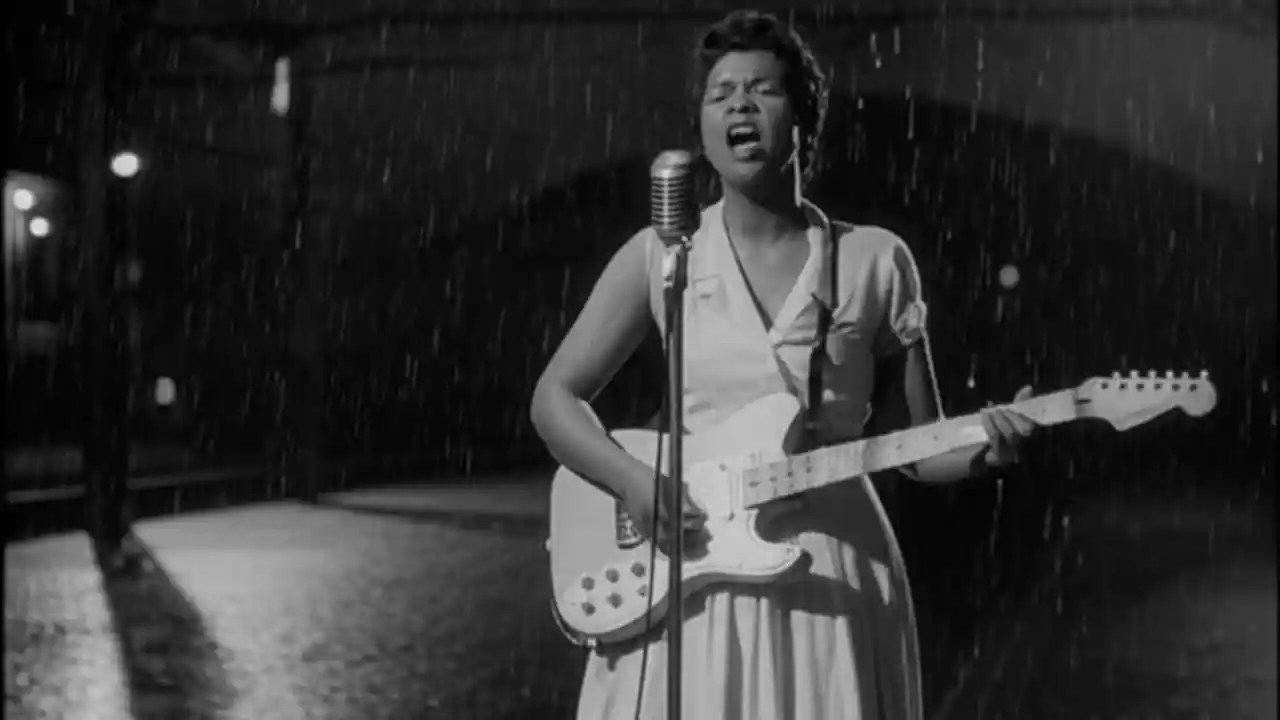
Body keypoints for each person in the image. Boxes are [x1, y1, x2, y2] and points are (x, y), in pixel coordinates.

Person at [530, 10, 1037, 720]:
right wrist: (632, 480)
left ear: (803, 117)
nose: (739, 103)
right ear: (703, 130)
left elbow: (921, 449)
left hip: (834, 574)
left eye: (762, 90)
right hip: (692, 568)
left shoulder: (876, 260)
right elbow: (554, 397)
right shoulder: (662, 255)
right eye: (720, 93)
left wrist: (987, 450)